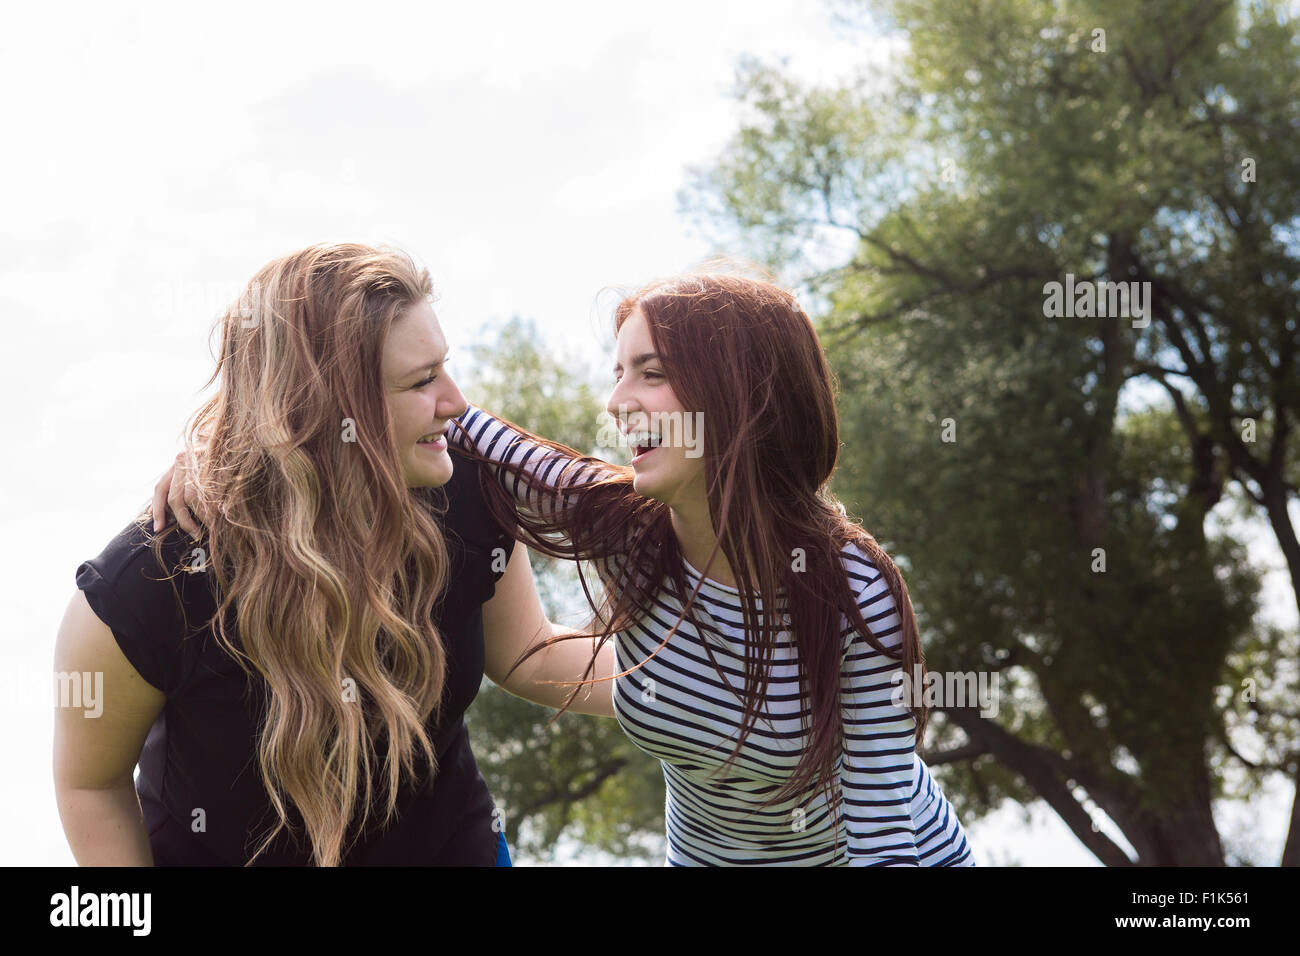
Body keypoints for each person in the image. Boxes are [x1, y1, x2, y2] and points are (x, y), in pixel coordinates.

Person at [54, 242, 609, 866]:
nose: (456, 402)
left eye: (444, 367)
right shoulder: (150, 579)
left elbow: (528, 653)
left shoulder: (466, 488)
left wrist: (686, 675)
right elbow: (90, 782)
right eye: (422, 380)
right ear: (324, 410)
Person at [446, 272, 977, 866]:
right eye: (619, 374)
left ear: (741, 393)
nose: (617, 404)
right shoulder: (625, 531)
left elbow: (882, 838)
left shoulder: (854, 586)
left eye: (653, 373)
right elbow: (468, 428)